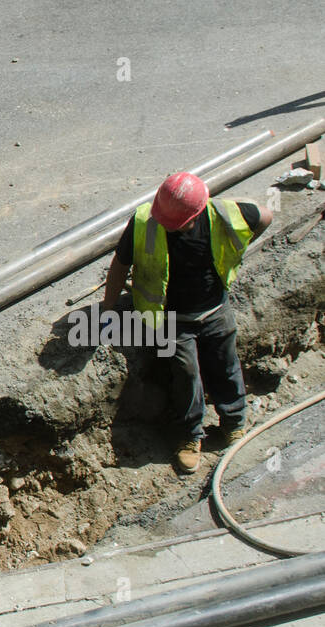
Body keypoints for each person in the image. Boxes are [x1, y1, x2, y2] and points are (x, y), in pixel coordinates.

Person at [100, 171, 272, 474]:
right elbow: (119, 265)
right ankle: (190, 437)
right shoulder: (143, 222)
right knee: (185, 373)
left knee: (226, 363)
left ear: (198, 211)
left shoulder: (224, 214)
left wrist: (239, 252)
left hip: (216, 308)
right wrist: (108, 307)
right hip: (169, 319)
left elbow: (265, 216)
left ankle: (234, 420)